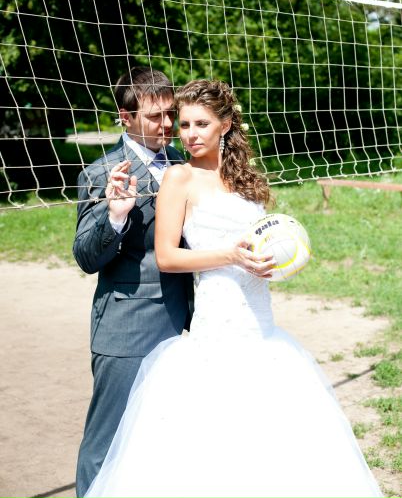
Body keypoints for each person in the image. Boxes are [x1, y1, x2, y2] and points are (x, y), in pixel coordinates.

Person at [83, 79, 383, 498]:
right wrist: (230, 256)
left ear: (224, 125)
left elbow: (261, 238)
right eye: (184, 124)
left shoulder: (245, 177)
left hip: (261, 323)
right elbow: (166, 256)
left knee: (273, 440)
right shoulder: (179, 177)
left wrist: (277, 259)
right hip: (215, 323)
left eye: (201, 124)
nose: (189, 134)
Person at [73, 67, 194, 498]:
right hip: (127, 328)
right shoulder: (101, 173)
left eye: (170, 113)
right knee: (107, 444)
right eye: (154, 116)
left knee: (164, 438)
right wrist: (115, 216)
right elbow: (86, 257)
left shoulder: (185, 165)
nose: (167, 124)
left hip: (186, 325)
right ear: (125, 118)